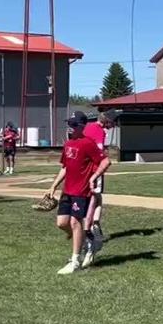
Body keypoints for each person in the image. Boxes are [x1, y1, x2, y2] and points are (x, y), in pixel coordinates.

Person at [46, 111, 111, 275]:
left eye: (73, 125)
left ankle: (74, 261)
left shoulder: (87, 143)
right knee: (62, 223)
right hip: (67, 190)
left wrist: (94, 177)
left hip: (81, 191)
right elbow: (65, 167)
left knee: (75, 223)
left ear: (81, 127)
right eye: (69, 124)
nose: (70, 127)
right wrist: (53, 185)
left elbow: (106, 161)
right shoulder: (68, 144)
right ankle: (88, 241)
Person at [81, 110, 117, 254]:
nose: (113, 126)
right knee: (96, 196)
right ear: (106, 121)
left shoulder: (88, 127)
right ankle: (92, 226)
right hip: (95, 169)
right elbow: (99, 151)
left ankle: (93, 223)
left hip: (84, 167)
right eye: (112, 123)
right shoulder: (99, 131)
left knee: (94, 196)